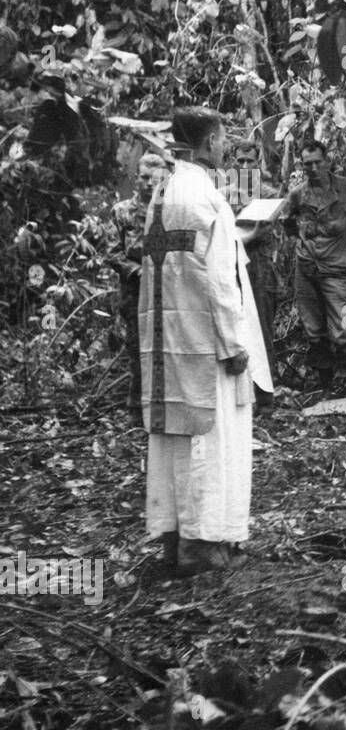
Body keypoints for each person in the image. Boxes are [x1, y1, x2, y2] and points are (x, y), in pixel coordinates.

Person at [140, 107, 271, 576]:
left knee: (176, 440)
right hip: (208, 346)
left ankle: (175, 539)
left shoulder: (164, 192)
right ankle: (205, 544)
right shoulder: (208, 198)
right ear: (209, 141)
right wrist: (235, 344)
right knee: (212, 443)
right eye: (222, 138)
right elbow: (219, 282)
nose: (226, 146)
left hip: (170, 342)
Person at [283, 140, 346, 397]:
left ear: (328, 162)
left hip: (341, 274)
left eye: (317, 162)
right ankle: (325, 386)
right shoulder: (298, 194)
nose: (312, 168)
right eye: (307, 164)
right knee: (314, 331)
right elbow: (288, 224)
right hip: (307, 272)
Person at [107, 152, 169, 408]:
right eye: (144, 178)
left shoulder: (170, 212)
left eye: (155, 179)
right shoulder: (121, 212)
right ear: (136, 178)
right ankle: (137, 406)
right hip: (135, 293)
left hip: (168, 293)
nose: (150, 184)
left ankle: (163, 405)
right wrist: (138, 271)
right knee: (137, 348)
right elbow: (112, 254)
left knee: (166, 349)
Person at [228, 138, 280, 407]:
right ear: (233, 163)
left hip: (259, 268)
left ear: (258, 164)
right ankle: (240, 392)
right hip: (230, 267)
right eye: (241, 161)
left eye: (251, 161)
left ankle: (265, 394)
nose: (246, 166)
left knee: (261, 327)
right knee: (234, 328)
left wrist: (247, 234)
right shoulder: (224, 194)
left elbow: (264, 232)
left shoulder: (269, 195)